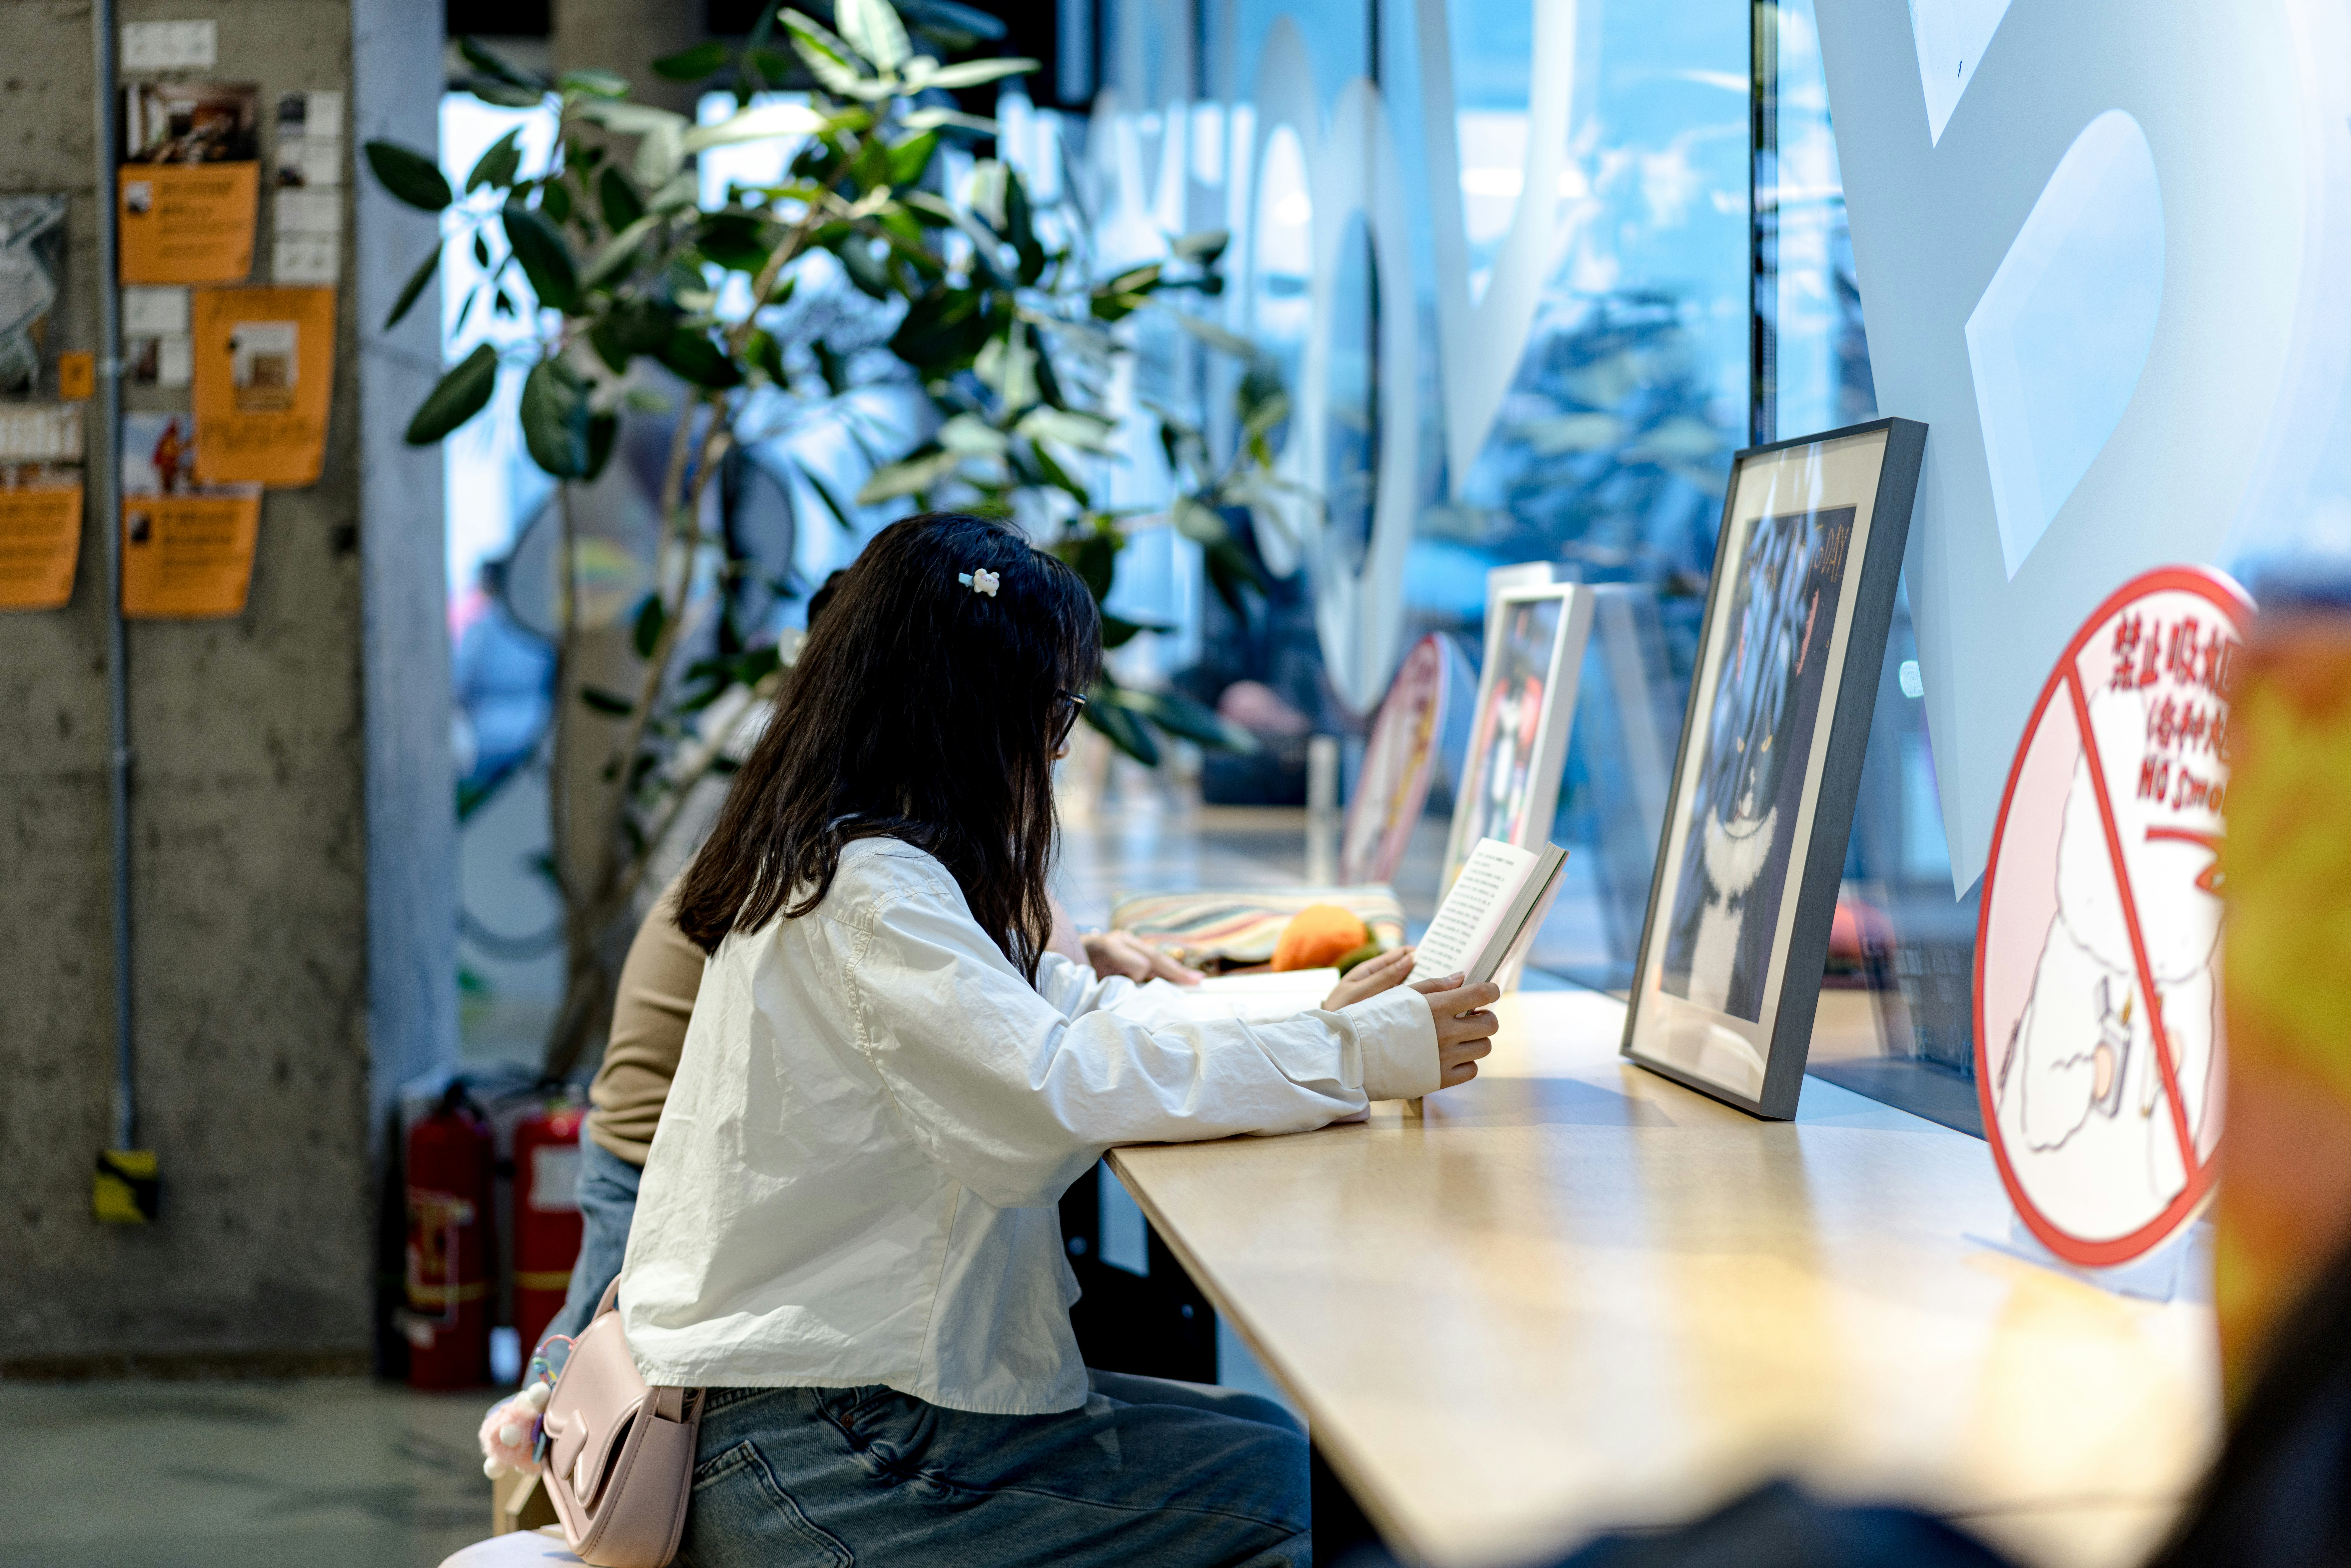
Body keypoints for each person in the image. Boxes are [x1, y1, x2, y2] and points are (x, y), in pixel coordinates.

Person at [612, 512, 1499, 1567]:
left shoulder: (851, 857)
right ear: (977, 709)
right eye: (1057, 712)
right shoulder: (872, 891)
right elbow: (1050, 1096)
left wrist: (1322, 1027)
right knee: (1288, 1495)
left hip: (803, 1414)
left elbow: (1070, 1013)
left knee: (1274, 1443)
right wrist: (1348, 1057)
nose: (1057, 750)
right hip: (811, 1449)